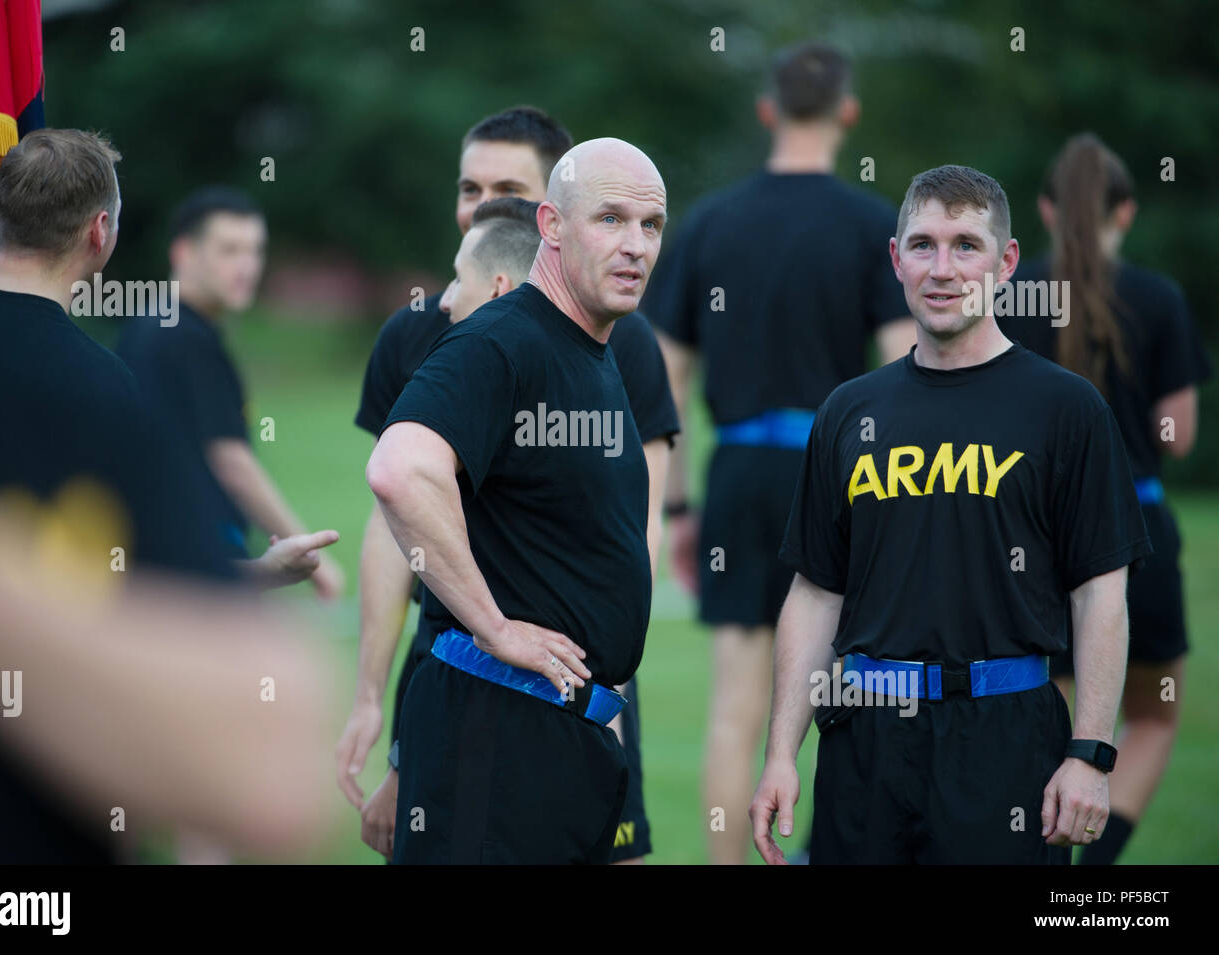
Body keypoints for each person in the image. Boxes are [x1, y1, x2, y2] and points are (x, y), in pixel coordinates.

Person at [0, 128, 334, 862]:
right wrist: (266, 573)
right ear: (99, 232)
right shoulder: (108, 394)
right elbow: (134, 599)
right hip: (29, 818)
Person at [750, 164, 1152, 865]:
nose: (943, 268)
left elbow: (1100, 592)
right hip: (864, 742)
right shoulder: (849, 411)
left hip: (1005, 742)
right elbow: (816, 591)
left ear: (1007, 261)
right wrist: (782, 751)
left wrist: (1090, 751)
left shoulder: (1066, 408)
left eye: (966, 244)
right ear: (895, 259)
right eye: (924, 244)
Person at [338, 111, 677, 865]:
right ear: (551, 225)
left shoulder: (594, 348)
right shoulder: (503, 338)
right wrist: (496, 627)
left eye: (651, 225)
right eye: (612, 219)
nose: (636, 244)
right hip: (495, 734)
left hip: (565, 731)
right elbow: (399, 469)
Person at [640, 41, 915, 863]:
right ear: (848, 114)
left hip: (738, 477)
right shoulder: (874, 226)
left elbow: (666, 378)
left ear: (767, 111)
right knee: (847, 693)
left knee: (736, 704)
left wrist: (680, 504)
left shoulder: (712, 221)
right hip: (842, 477)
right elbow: (909, 367)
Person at [996, 133, 1211, 864]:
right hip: (1138, 527)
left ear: (1049, 210)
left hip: (1040, 538)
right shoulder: (1158, 298)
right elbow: (1177, 436)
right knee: (1150, 717)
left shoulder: (1015, 296)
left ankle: (1045, 862)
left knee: (1049, 715)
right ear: (1127, 210)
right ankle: (1095, 877)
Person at [117, 187, 345, 598]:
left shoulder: (152, 325)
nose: (247, 266)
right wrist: (315, 559)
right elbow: (231, 460)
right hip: (192, 564)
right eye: (229, 250)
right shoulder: (184, 336)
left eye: (255, 251)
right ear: (184, 253)